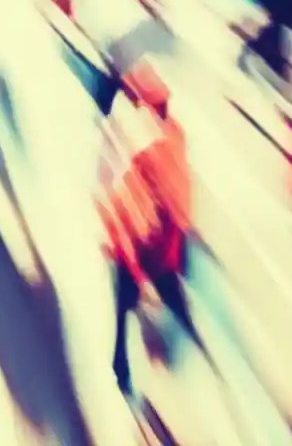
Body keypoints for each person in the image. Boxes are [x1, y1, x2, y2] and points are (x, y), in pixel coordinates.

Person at [99, 62, 207, 397]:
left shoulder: (170, 134)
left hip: (155, 237)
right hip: (141, 237)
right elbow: (121, 190)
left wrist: (178, 224)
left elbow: (179, 188)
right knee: (128, 301)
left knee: (136, 299)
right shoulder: (140, 137)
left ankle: (130, 358)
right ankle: (122, 361)